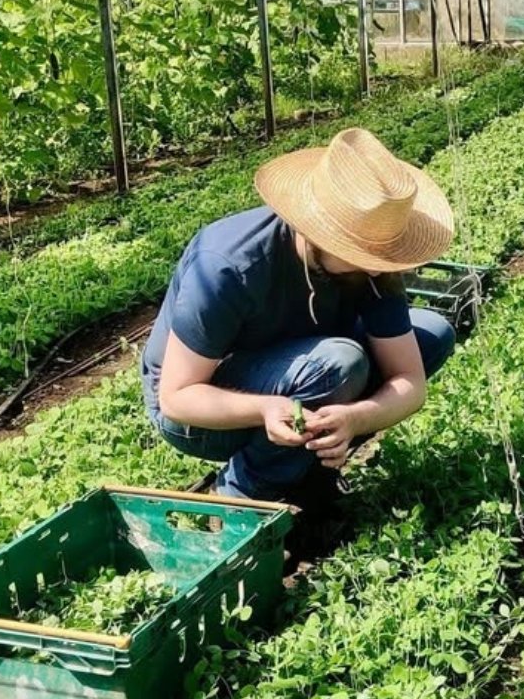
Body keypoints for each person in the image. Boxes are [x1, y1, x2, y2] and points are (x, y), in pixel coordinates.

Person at [141, 128, 457, 504]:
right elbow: (177, 399)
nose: (376, 271)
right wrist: (265, 408)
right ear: (321, 233)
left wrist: (356, 418)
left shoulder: (374, 268)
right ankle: (246, 493)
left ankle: (307, 465)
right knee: (337, 364)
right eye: (363, 256)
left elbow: (410, 380)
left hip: (299, 371)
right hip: (200, 415)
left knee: (432, 335)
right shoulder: (227, 266)